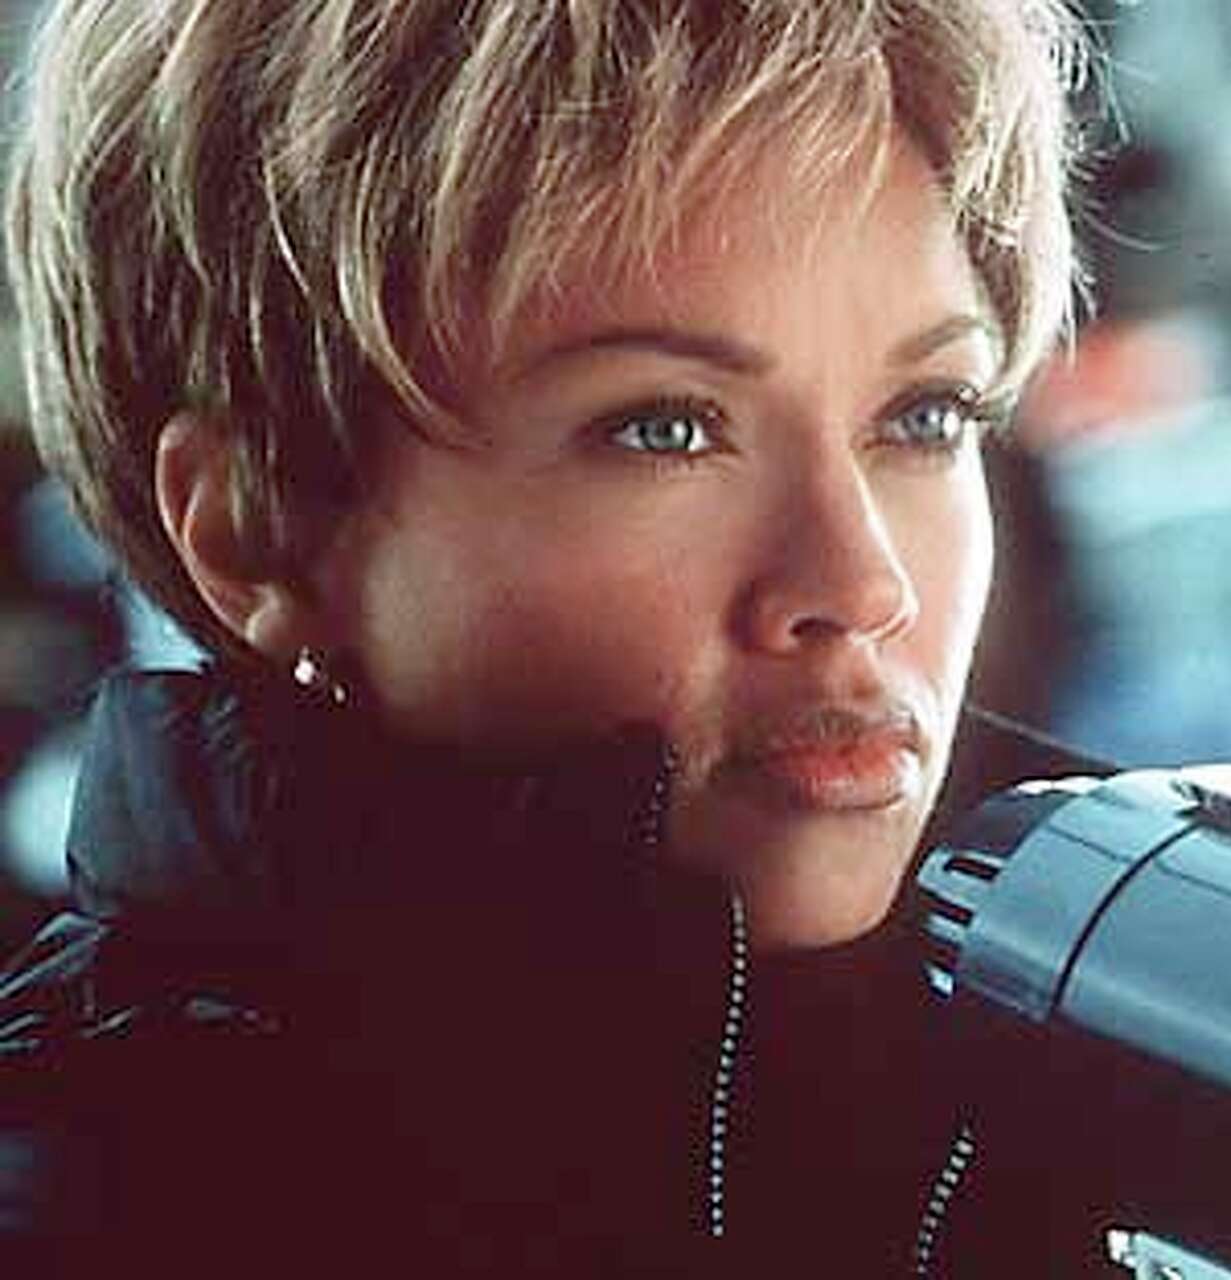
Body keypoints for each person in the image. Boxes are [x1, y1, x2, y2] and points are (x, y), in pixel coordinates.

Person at [0, 1, 1106, 1274]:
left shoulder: (1125, 1102)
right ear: (262, 533)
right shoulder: (89, 1207)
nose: (863, 584)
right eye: (665, 428)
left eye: (925, 415)